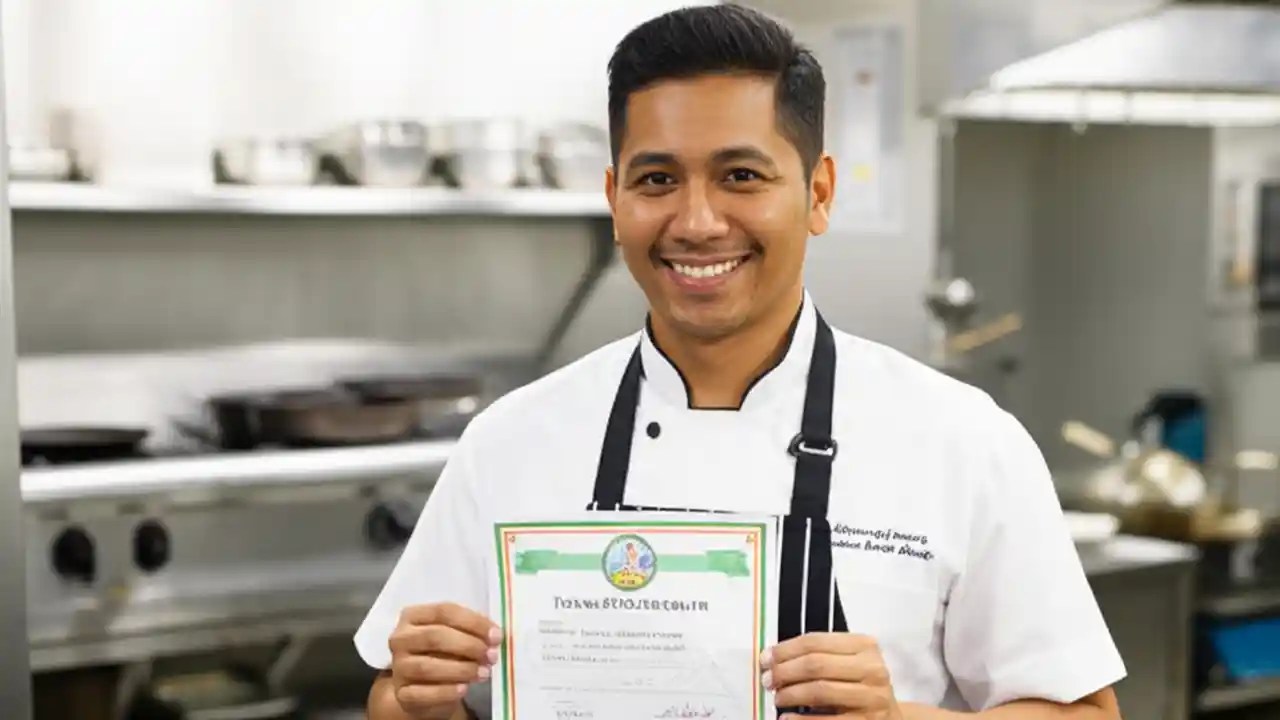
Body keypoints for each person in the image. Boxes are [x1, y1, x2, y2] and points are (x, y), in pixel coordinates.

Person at [355, 5, 1126, 720]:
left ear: (818, 193)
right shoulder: (512, 441)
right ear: (614, 198)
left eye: (741, 176)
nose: (696, 222)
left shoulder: (963, 441)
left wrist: (898, 718)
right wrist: (420, 701)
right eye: (657, 179)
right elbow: (393, 698)